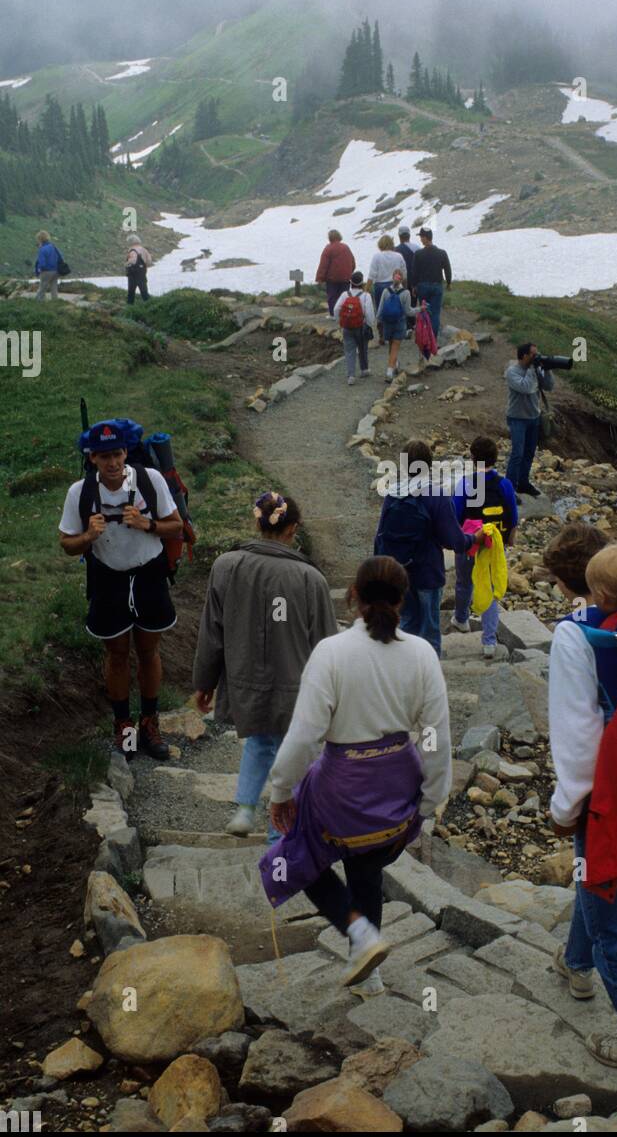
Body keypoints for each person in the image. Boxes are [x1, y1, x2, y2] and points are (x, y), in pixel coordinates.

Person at [265, 555, 452, 994]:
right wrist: (429, 800)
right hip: (396, 791)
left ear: (354, 595)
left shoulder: (332, 654)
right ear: (403, 600)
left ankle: (359, 934)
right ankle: (369, 969)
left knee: (293, 858)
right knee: (366, 868)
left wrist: (280, 790)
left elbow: (305, 736)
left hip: (341, 792)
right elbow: (434, 736)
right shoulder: (422, 654)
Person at [545, 539, 617, 1082]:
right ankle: (575, 965)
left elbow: (578, 731)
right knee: (596, 879)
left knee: (613, 917)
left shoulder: (578, 635)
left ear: (586, 589)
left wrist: (566, 803)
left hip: (605, 795)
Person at [192, 492, 338, 838]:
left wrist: (204, 681)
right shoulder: (309, 579)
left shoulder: (226, 566)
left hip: (246, 679)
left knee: (259, 741)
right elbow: (326, 644)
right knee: (294, 752)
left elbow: (212, 630)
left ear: (256, 522)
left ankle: (245, 807)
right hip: (297, 685)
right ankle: (280, 833)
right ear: (294, 529)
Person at [58, 420, 182, 758]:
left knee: (147, 650)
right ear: (92, 459)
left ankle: (150, 723)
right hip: (108, 578)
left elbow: (176, 527)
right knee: (115, 653)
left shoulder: (148, 479)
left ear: (126, 452)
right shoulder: (79, 493)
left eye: (117, 454)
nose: (112, 463)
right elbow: (67, 544)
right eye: (103, 456)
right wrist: (87, 537)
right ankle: (124, 726)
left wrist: (148, 524)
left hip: (148, 574)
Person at [374, 439, 484, 656]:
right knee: (430, 630)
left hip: (398, 573)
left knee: (407, 623)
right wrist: (475, 539)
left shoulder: (393, 493)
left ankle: (402, 667)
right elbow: (455, 542)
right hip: (427, 573)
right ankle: (429, 672)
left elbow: (380, 536)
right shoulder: (437, 495)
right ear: (429, 465)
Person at [450, 436, 518, 658]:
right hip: (493, 545)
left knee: (464, 582)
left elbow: (455, 515)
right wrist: (510, 539)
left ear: (472, 459)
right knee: (489, 589)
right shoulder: (505, 484)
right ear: (495, 459)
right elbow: (513, 516)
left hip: (469, 543)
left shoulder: (465, 483)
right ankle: (489, 641)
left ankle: (461, 619)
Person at [504, 343, 555, 498]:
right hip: (517, 418)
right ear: (524, 355)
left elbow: (549, 386)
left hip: (534, 418)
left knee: (529, 453)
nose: (536, 356)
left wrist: (547, 369)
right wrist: (534, 370)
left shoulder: (536, 369)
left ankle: (523, 483)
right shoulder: (512, 372)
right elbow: (526, 388)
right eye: (533, 354)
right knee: (517, 453)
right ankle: (510, 489)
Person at [334, 270, 375, 384]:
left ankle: (351, 376)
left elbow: (336, 309)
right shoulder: (366, 296)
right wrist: (369, 324)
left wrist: (340, 322)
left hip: (347, 327)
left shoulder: (344, 295)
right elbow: (369, 313)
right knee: (363, 349)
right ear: (362, 283)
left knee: (349, 351)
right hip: (361, 327)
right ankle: (364, 370)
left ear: (350, 282)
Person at [411, 227, 452, 338]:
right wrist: (448, 283)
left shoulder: (418, 254)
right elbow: (447, 269)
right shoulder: (442, 253)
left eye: (421, 237)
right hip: (437, 286)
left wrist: (413, 286)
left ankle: (425, 335)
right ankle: (433, 338)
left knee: (424, 312)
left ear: (425, 238)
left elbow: (414, 272)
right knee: (435, 313)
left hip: (423, 287)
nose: (420, 239)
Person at [376, 266, 411, 381]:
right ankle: (389, 372)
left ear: (392, 278)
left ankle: (395, 365)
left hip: (387, 323)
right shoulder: (406, 293)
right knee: (395, 347)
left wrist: (378, 321)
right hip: (399, 323)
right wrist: (420, 309)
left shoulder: (386, 291)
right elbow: (408, 311)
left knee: (391, 346)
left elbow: (380, 308)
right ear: (402, 280)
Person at [315, 229, 355, 318]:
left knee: (332, 297)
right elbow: (352, 262)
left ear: (330, 238)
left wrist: (320, 278)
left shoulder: (328, 248)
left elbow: (323, 265)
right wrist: (349, 272)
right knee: (344, 296)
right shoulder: (346, 247)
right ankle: (343, 314)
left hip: (332, 279)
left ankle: (333, 315)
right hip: (345, 278)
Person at [368, 235, 406, 323]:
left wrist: (366, 289)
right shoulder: (398, 256)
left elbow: (372, 275)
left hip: (380, 286)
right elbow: (404, 273)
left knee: (380, 310)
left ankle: (382, 330)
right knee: (397, 308)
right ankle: (396, 330)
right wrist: (405, 287)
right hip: (396, 285)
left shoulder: (376, 256)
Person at [34, 230, 65, 300]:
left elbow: (42, 263)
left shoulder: (42, 249)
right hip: (56, 271)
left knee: (42, 289)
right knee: (54, 289)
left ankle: (38, 304)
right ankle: (55, 303)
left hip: (46, 272)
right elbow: (61, 257)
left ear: (40, 239)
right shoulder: (53, 247)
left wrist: (39, 270)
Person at [125, 234, 153, 305]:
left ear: (130, 242)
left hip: (133, 274)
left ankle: (130, 308)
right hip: (142, 273)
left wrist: (126, 263)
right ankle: (150, 306)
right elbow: (149, 261)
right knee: (144, 292)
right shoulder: (144, 249)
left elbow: (133, 261)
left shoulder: (132, 250)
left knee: (131, 292)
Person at [395, 225, 420, 289]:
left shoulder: (395, 250)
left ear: (399, 236)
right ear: (409, 236)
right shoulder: (417, 248)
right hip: (415, 282)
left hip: (401, 283)